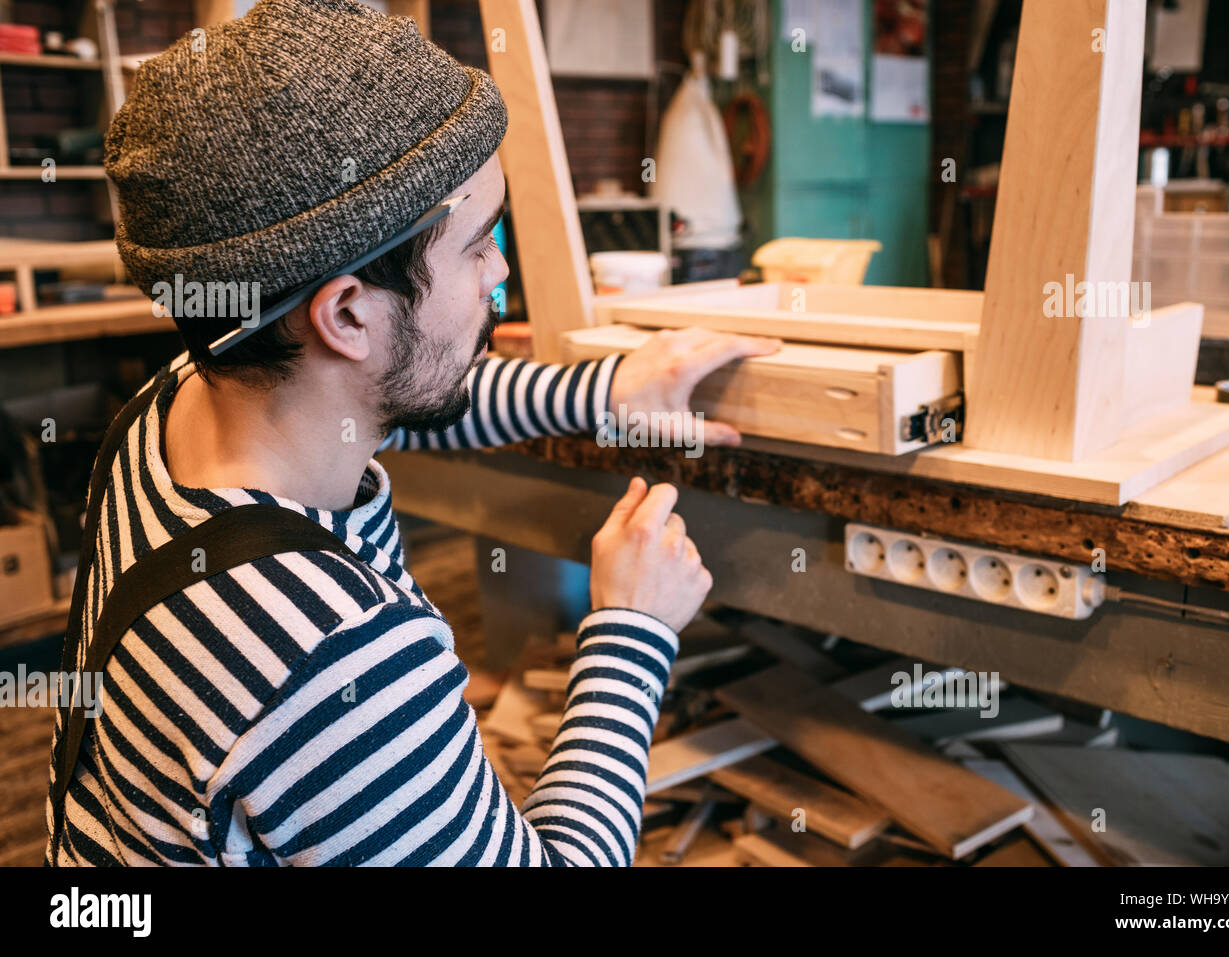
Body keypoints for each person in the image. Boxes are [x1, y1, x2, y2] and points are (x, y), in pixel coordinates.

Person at [45, 0, 778, 866]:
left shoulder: (179, 408)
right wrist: (631, 631)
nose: (501, 273)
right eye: (477, 247)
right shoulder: (322, 655)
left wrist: (609, 388)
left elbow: (395, 395)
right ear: (347, 314)